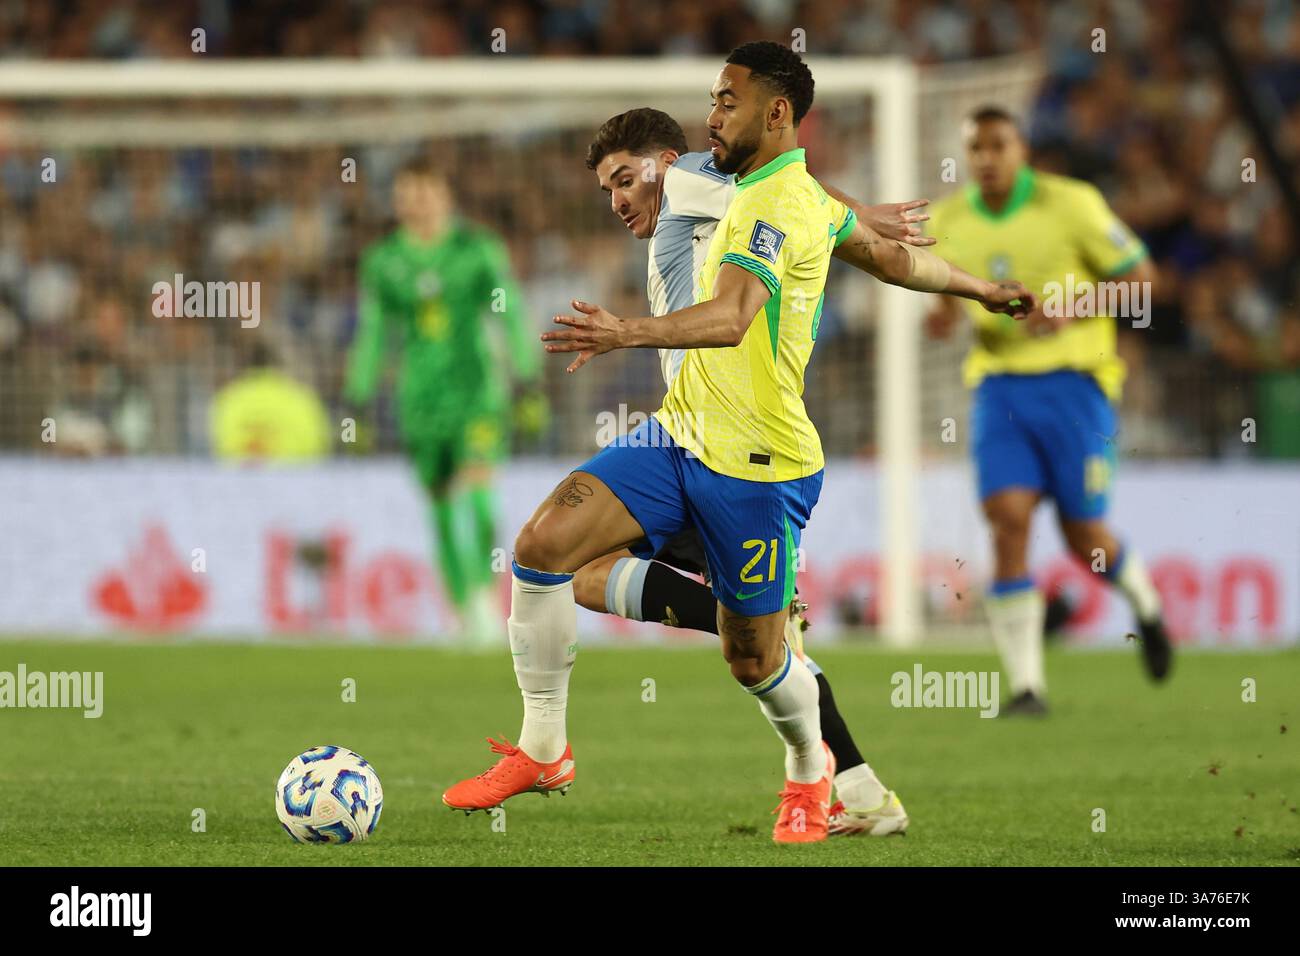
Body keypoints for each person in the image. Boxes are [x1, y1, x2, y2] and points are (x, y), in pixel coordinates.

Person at [443, 43, 1031, 842]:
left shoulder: (714, 186)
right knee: (549, 554)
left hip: (757, 460)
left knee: (755, 661)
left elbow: (734, 313)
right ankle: (545, 747)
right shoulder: (741, 185)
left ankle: (817, 770)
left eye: (625, 180)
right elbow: (880, 251)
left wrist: (625, 332)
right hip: (679, 436)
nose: (616, 202)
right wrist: (975, 284)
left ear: (667, 162)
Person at [925, 106, 1173, 715]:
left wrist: (1073, 308)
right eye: (975, 148)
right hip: (1000, 389)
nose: (985, 158)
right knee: (1008, 520)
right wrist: (939, 316)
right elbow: (948, 306)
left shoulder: (1073, 203)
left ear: (1022, 148)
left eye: (997, 145)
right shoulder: (949, 220)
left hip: (1075, 386)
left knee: (1082, 535)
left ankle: (1146, 605)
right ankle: (1027, 687)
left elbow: (1144, 280)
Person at [344, 159, 546, 643]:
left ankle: (482, 594)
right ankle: (460, 607)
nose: (416, 203)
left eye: (425, 192)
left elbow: (509, 312)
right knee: (438, 505)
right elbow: (375, 334)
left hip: (477, 391)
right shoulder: (383, 261)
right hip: (418, 400)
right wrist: (358, 397)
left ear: (445, 195)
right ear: (396, 201)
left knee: (477, 493)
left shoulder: (477, 250)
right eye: (406, 194)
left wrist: (527, 377)